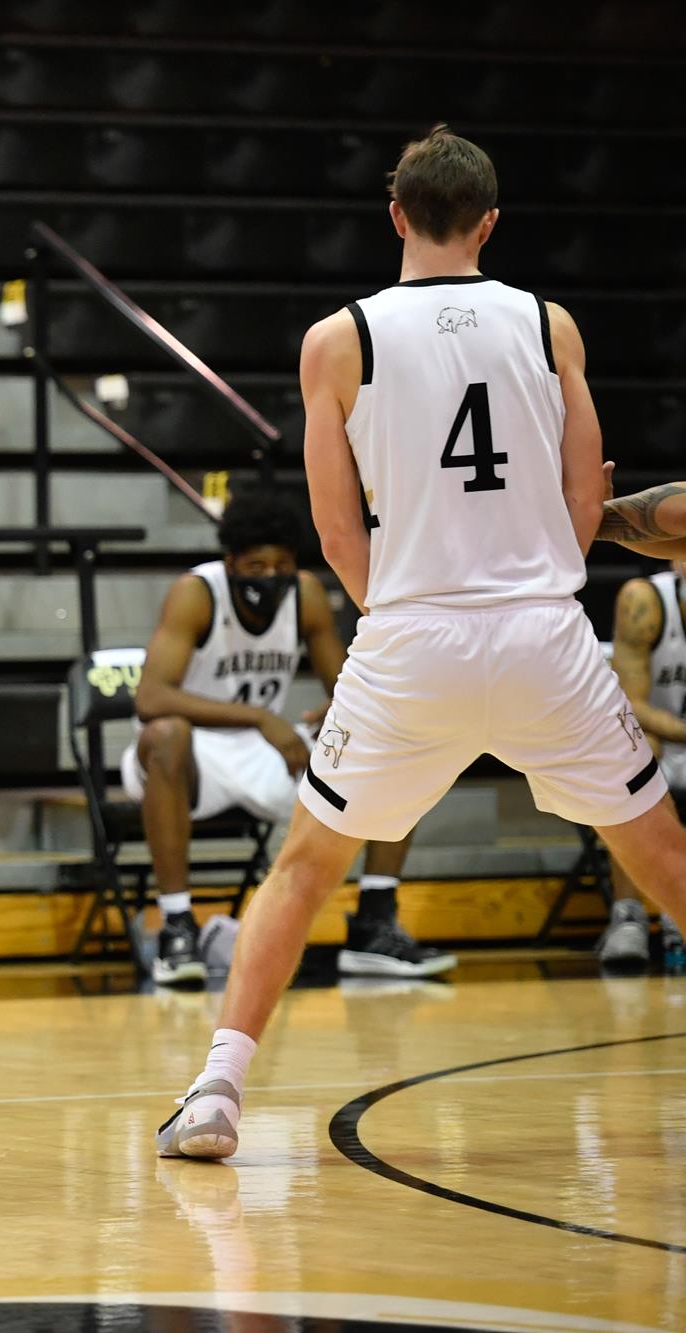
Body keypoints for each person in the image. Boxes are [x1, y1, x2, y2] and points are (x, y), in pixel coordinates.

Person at [155, 126, 686, 1161]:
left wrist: (398, 607)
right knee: (659, 851)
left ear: (395, 215)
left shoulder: (335, 340)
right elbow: (584, 504)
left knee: (304, 868)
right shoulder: (551, 326)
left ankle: (217, 1091)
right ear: (489, 223)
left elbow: (333, 529)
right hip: (542, 633)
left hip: (411, 637)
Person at [127, 490, 445, 985]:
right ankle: (176, 926)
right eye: (256, 566)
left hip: (266, 753)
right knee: (166, 735)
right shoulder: (197, 593)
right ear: (231, 562)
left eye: (281, 565)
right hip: (192, 755)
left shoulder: (306, 595)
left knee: (391, 736)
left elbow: (344, 682)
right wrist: (258, 717)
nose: (270, 576)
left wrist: (341, 710)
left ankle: (374, 924)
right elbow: (150, 697)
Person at [599, 562, 686, 966]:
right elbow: (630, 704)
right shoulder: (645, 601)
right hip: (660, 743)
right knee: (633, 753)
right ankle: (628, 914)